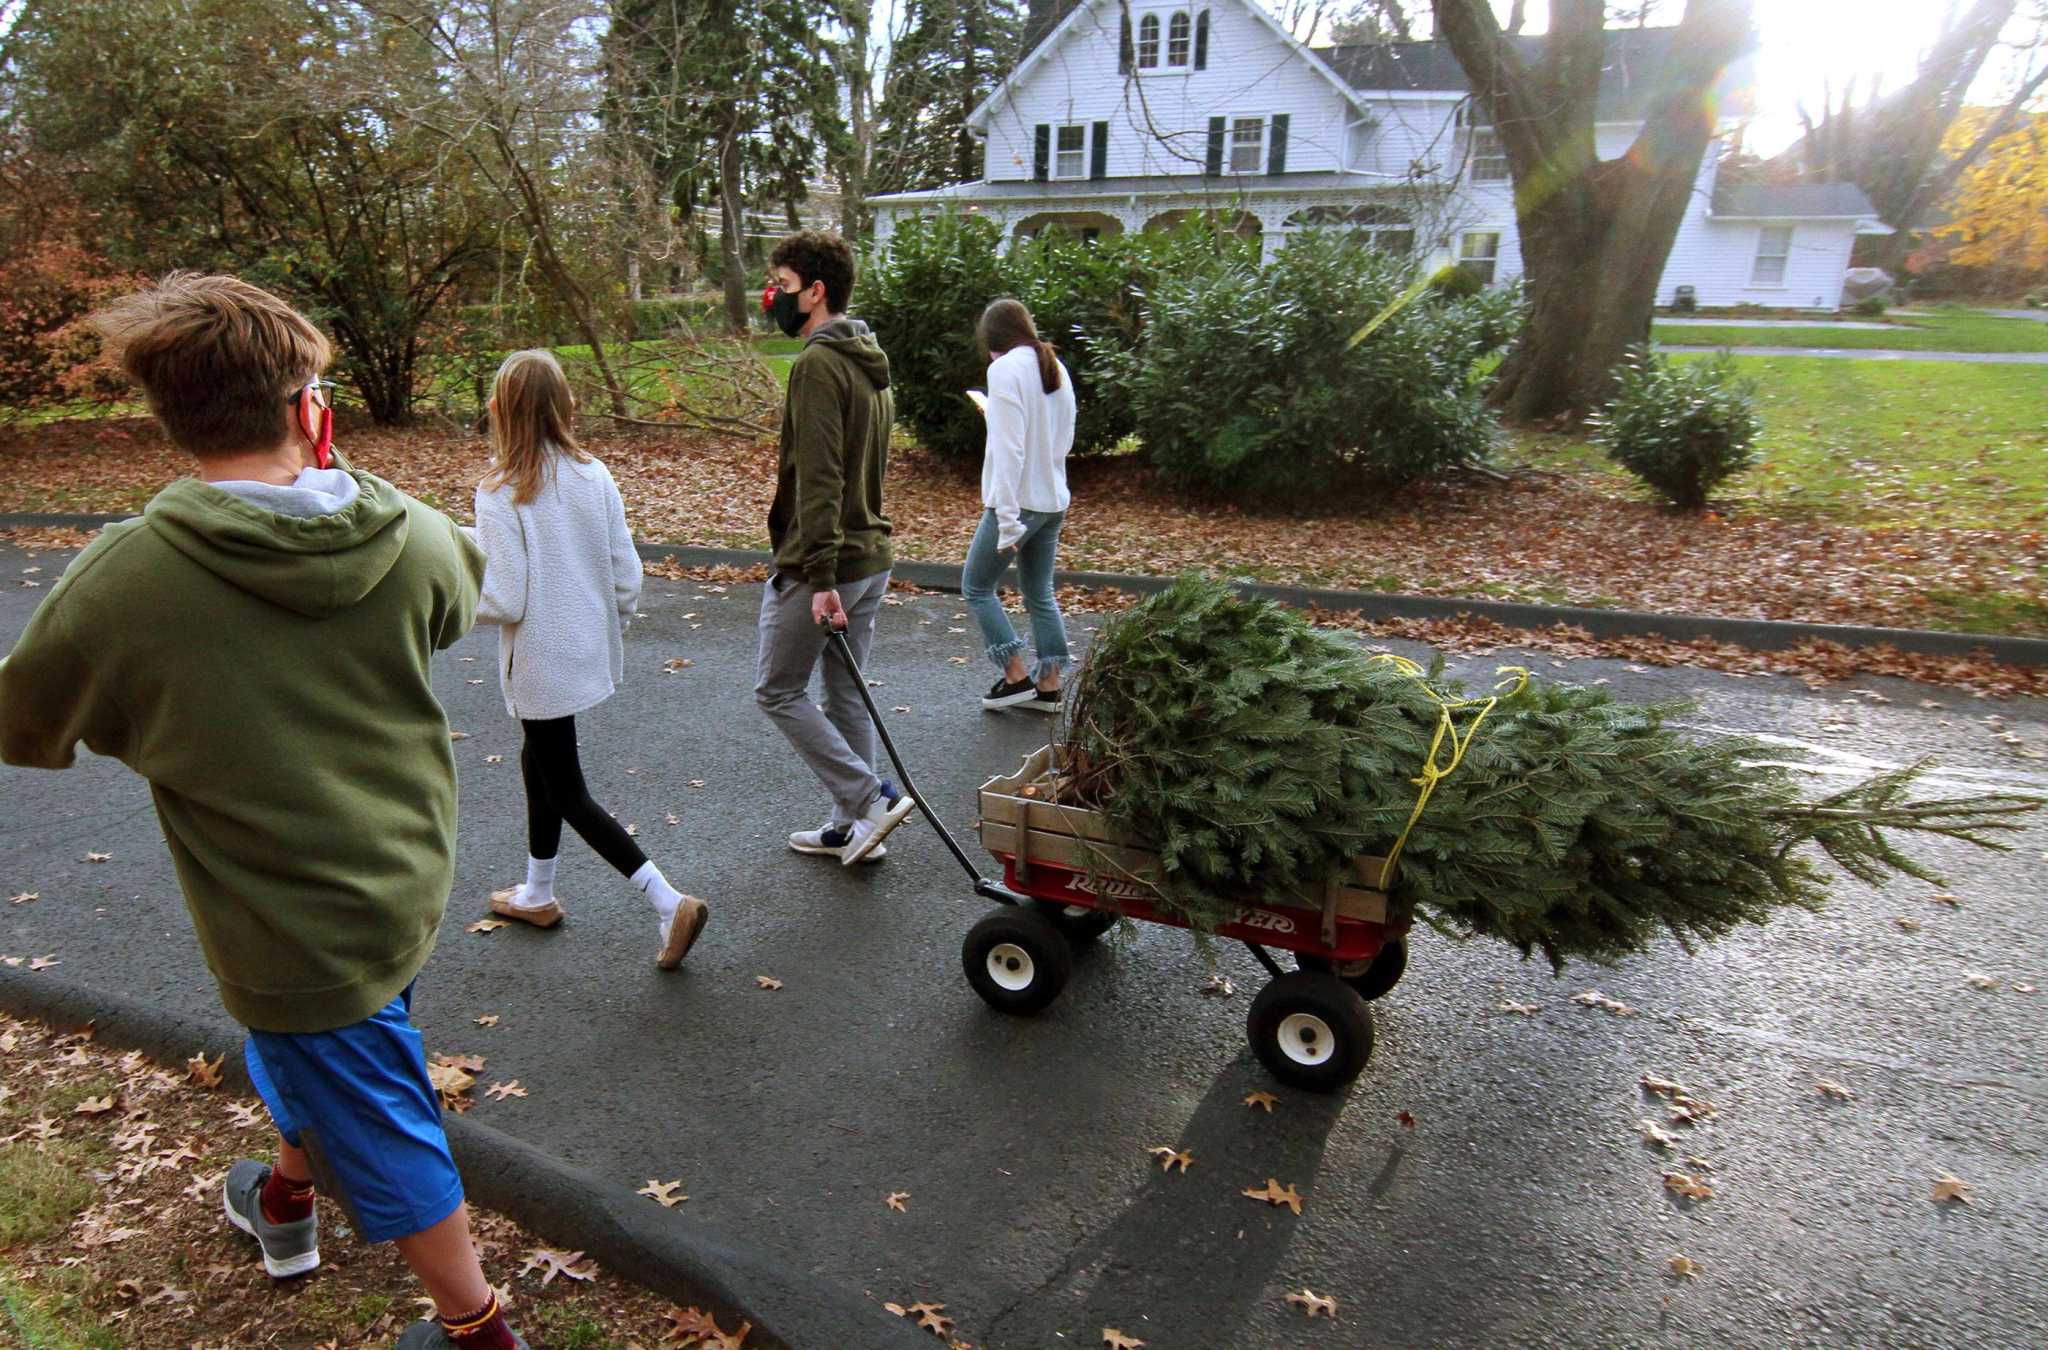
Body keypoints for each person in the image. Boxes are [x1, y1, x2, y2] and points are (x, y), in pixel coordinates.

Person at [0, 274, 525, 1349]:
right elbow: (453, 604)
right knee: (337, 1053)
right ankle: (283, 1203)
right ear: (307, 406)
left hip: (284, 925)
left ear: (173, 416)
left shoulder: (126, 581)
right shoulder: (418, 536)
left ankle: (477, 1328)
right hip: (403, 875)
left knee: (379, 1107)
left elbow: (26, 724)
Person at [470, 349, 707, 967]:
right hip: (584, 648)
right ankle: (537, 891)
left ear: (501, 409)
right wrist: (606, 620)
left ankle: (666, 900)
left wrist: (452, 594)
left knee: (568, 789)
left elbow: (504, 594)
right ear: (561, 405)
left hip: (540, 660)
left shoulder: (500, 489)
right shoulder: (592, 473)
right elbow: (625, 571)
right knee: (540, 761)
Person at [756, 229, 915, 865]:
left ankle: (869, 799)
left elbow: (820, 477)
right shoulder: (866, 357)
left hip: (830, 561)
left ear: (816, 291)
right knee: (844, 693)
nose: (775, 298)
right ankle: (853, 828)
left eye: (785, 287)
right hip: (870, 554)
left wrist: (817, 576)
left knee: (777, 690)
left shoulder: (820, 365)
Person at [962, 298, 1075, 712]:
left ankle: (1014, 677)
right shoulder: (1055, 368)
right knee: (1038, 591)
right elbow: (1059, 438)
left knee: (976, 586)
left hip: (1018, 504)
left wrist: (1007, 519)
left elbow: (1009, 449)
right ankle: (1049, 685)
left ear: (993, 339)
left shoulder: (1004, 369)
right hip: (1051, 500)